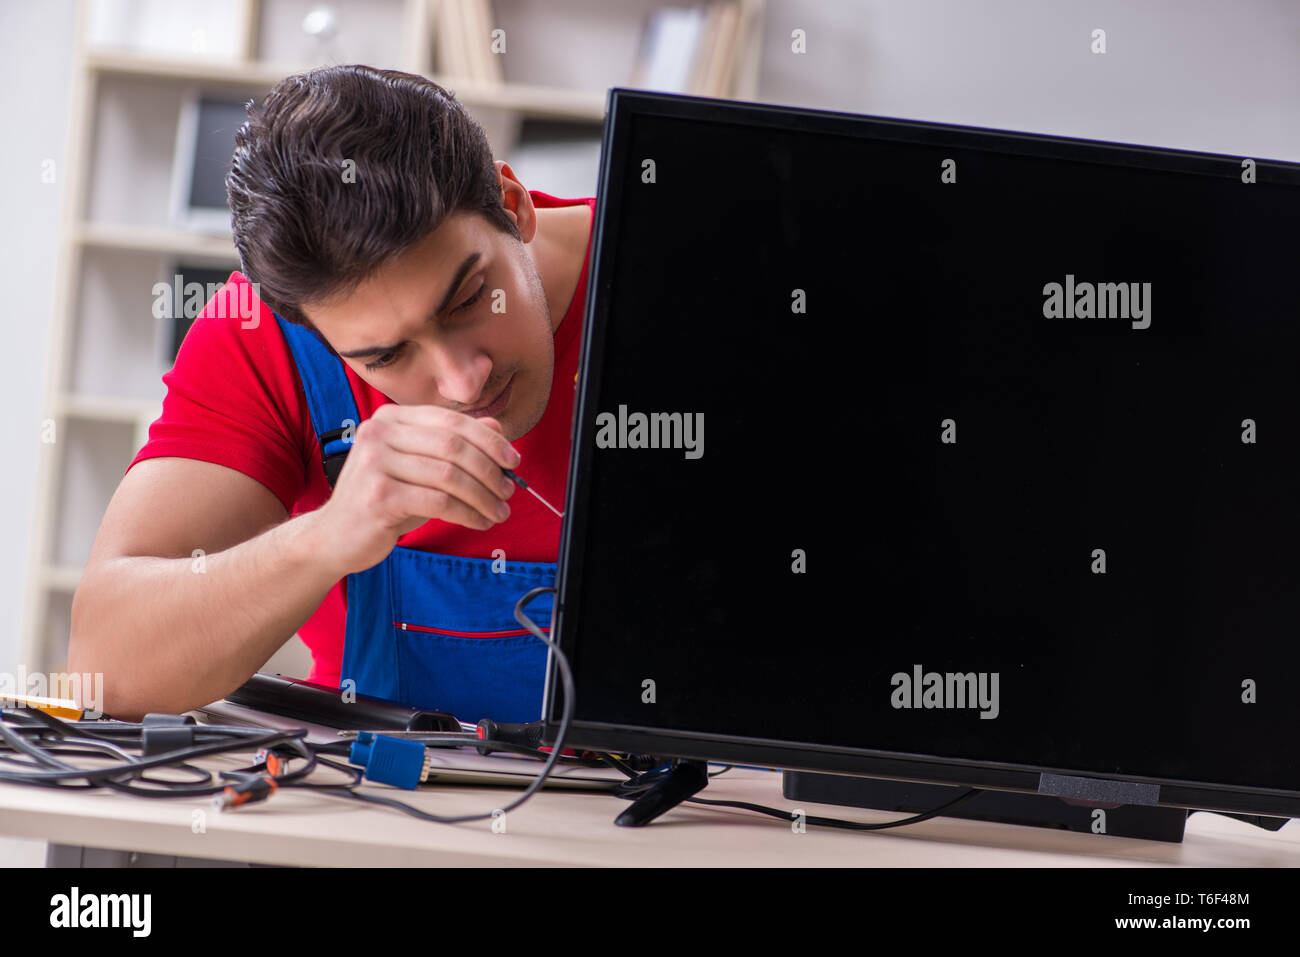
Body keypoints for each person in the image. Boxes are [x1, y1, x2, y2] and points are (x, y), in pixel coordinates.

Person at [68, 64, 595, 724]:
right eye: (386, 356)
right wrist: (327, 536)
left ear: (512, 205)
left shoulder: (677, 271)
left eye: (467, 300)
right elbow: (103, 668)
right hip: (374, 787)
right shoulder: (261, 334)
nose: (463, 382)